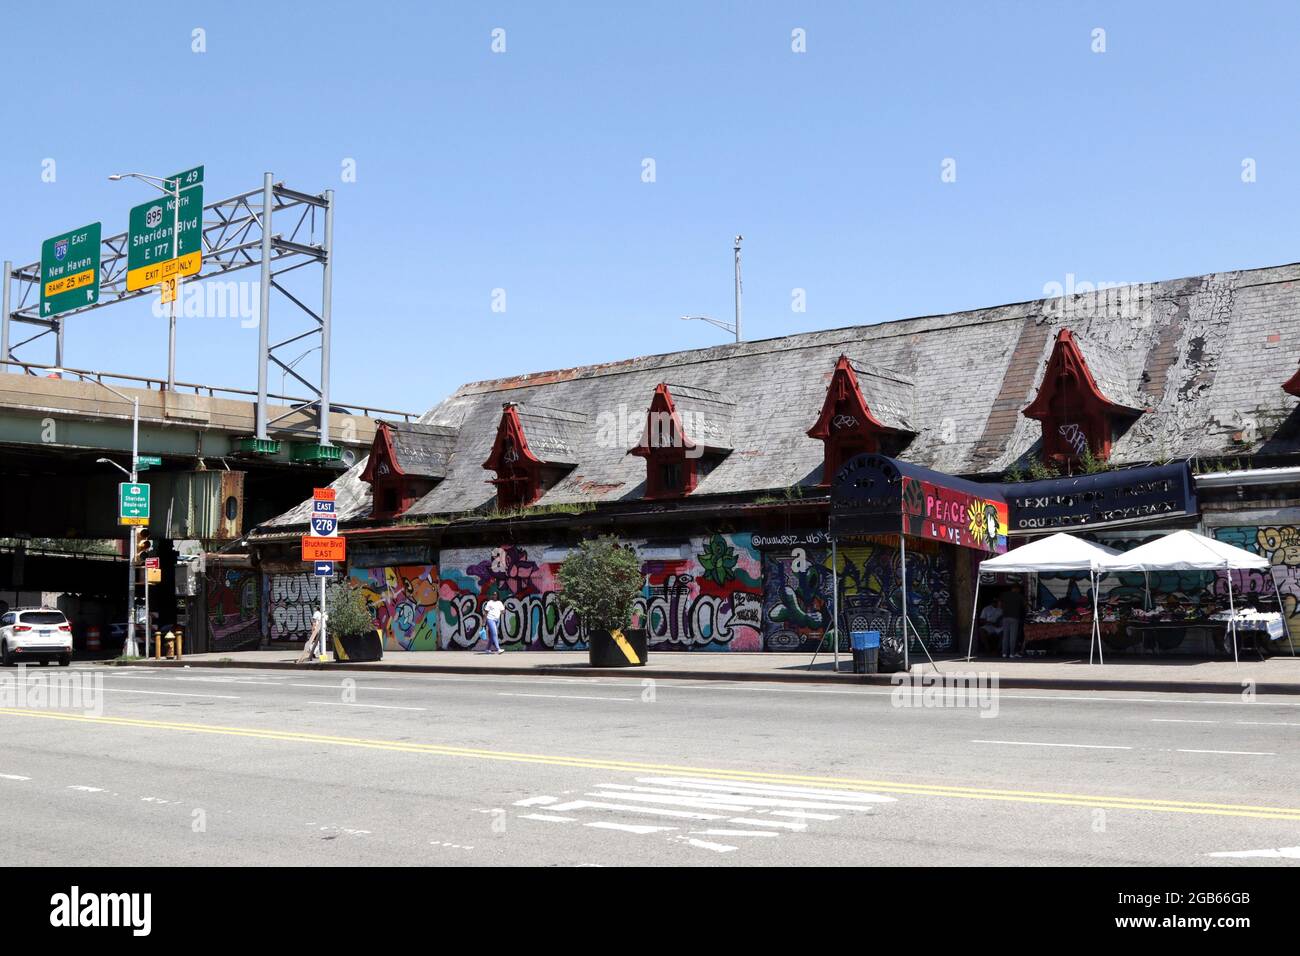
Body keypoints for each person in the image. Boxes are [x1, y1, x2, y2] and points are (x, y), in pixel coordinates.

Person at [1000, 584, 1025, 659]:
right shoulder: (1019, 596)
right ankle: (1011, 654)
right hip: (1014, 618)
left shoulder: (1004, 594)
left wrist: (1004, 609)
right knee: (1013, 637)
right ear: (1017, 589)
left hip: (1005, 617)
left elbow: (1000, 604)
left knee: (1005, 636)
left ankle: (1004, 653)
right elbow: (1024, 605)